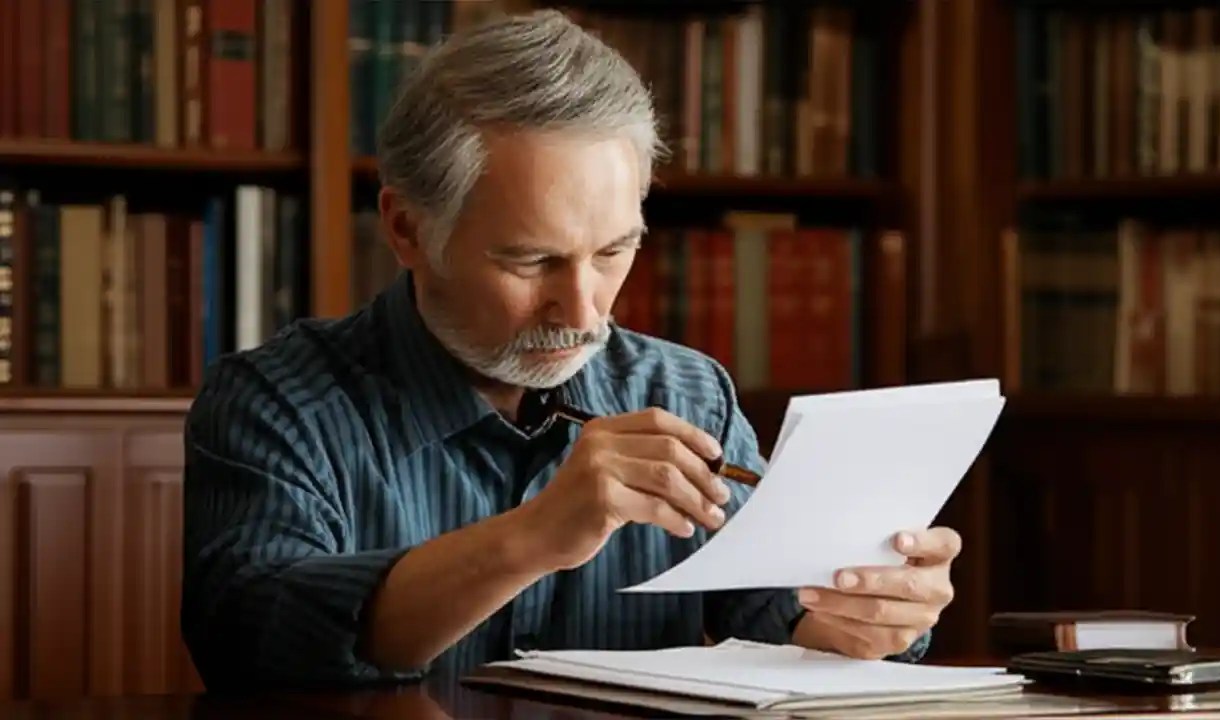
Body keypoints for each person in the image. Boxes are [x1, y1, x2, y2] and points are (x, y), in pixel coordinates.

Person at [180, 9, 961, 692]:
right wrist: (533, 537)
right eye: (530, 261)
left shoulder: (689, 393)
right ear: (407, 229)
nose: (585, 312)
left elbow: (780, 621)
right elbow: (250, 644)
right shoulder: (275, 402)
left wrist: (869, 615)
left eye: (614, 251)